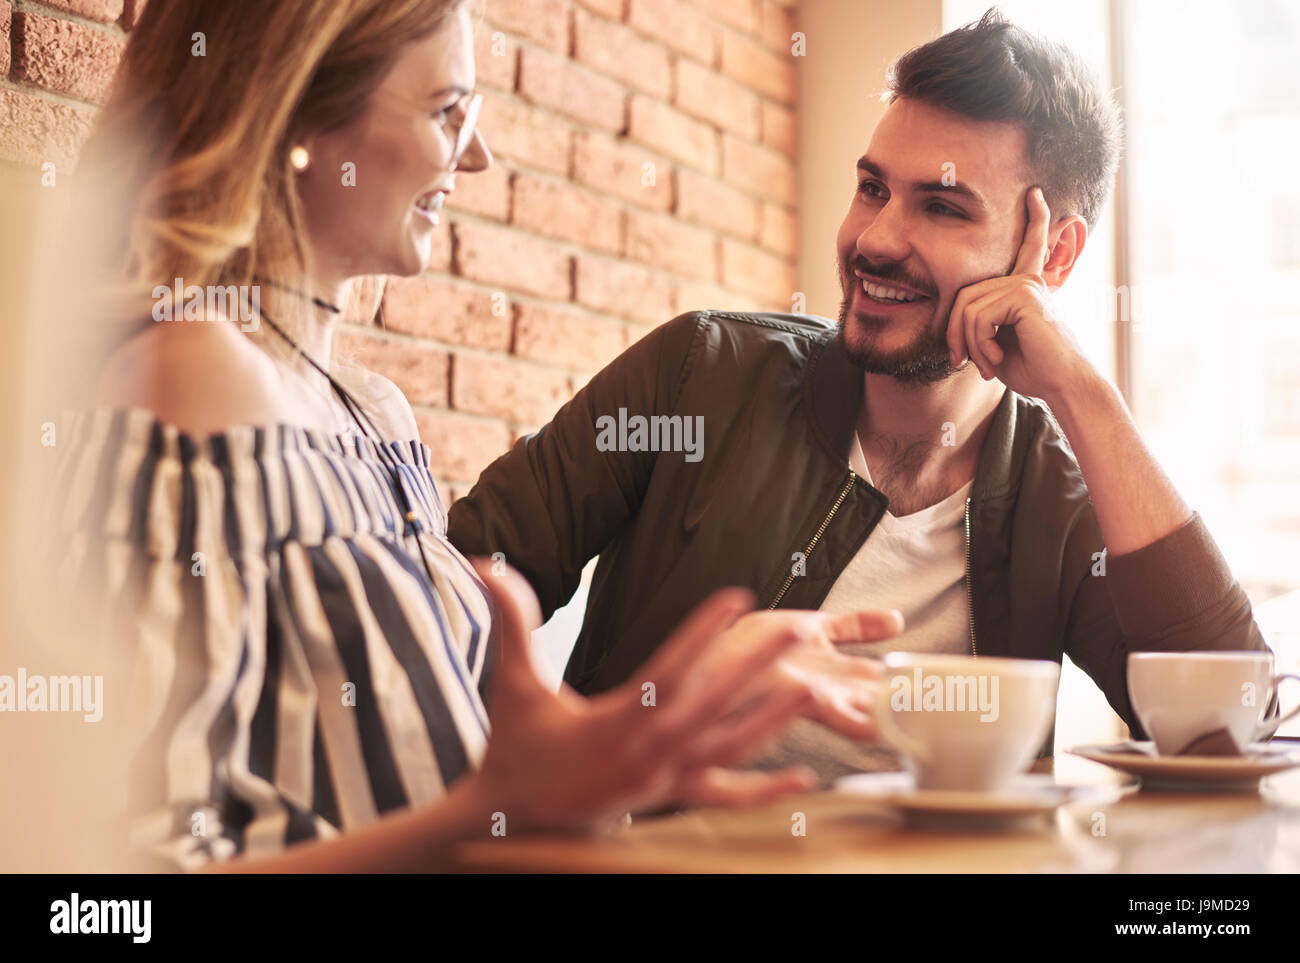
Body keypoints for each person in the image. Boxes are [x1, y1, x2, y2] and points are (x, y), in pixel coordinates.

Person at [46, 0, 908, 871]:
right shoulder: (192, 379)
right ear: (295, 111)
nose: (479, 153)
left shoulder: (377, 415)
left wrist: (626, 746)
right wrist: (495, 808)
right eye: (445, 110)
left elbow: (434, 773)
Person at [447, 9, 1272, 782]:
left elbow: (1231, 728)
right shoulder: (699, 371)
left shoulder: (1061, 493)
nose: (875, 240)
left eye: (942, 207)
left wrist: (1084, 392)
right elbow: (455, 580)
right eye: (873, 188)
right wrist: (584, 746)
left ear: (1051, 257)